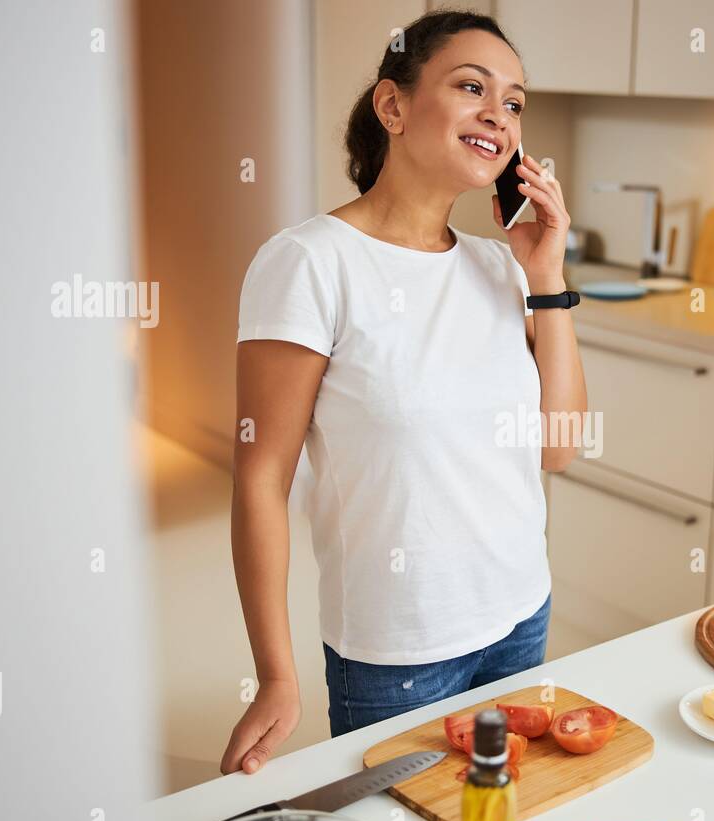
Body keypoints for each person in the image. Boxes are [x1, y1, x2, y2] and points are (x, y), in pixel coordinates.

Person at [219, 9, 586, 775]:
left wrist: (547, 277)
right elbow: (261, 476)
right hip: (397, 649)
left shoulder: (501, 268)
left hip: (521, 614)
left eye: (514, 102)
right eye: (471, 87)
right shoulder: (310, 264)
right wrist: (277, 673)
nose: (499, 114)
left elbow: (559, 448)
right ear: (393, 106)